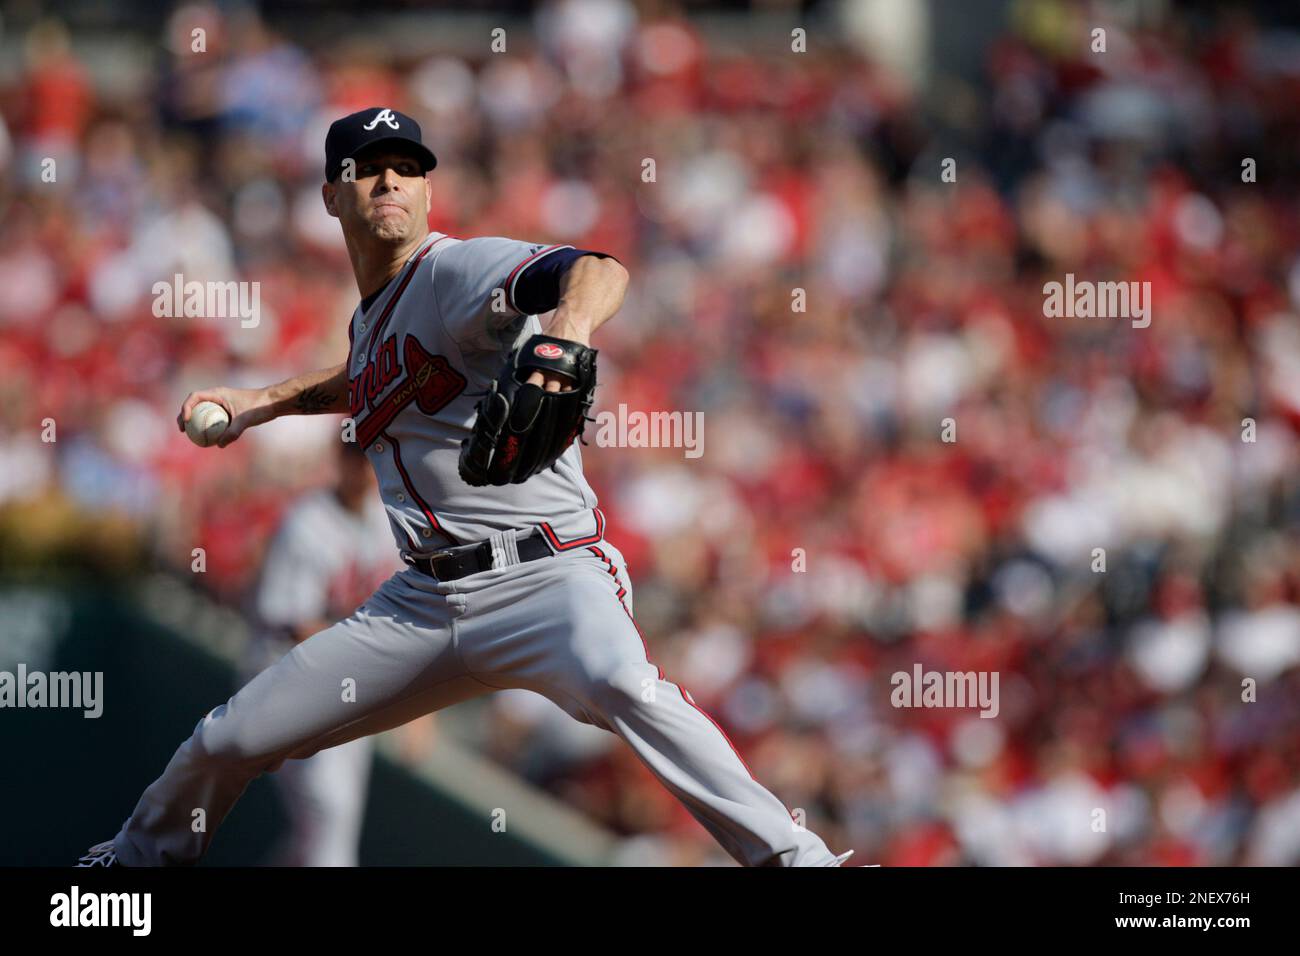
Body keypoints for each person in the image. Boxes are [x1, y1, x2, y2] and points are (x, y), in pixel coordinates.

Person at [76, 106, 853, 867]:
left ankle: (800, 861)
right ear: (330, 196)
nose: (390, 181)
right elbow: (368, 380)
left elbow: (594, 269)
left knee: (628, 686)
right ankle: (129, 871)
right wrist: (263, 402)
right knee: (229, 737)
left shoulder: (451, 269)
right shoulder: (373, 321)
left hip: (549, 578)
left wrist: (569, 330)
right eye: (369, 170)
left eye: (408, 169)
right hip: (422, 604)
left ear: (426, 193)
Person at [242, 439, 402, 866]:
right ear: (343, 460)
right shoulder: (306, 523)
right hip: (285, 682)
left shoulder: (384, 520)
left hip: (348, 689)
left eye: (376, 457)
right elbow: (294, 623)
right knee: (328, 812)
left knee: (328, 826)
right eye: (361, 457)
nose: (368, 469)